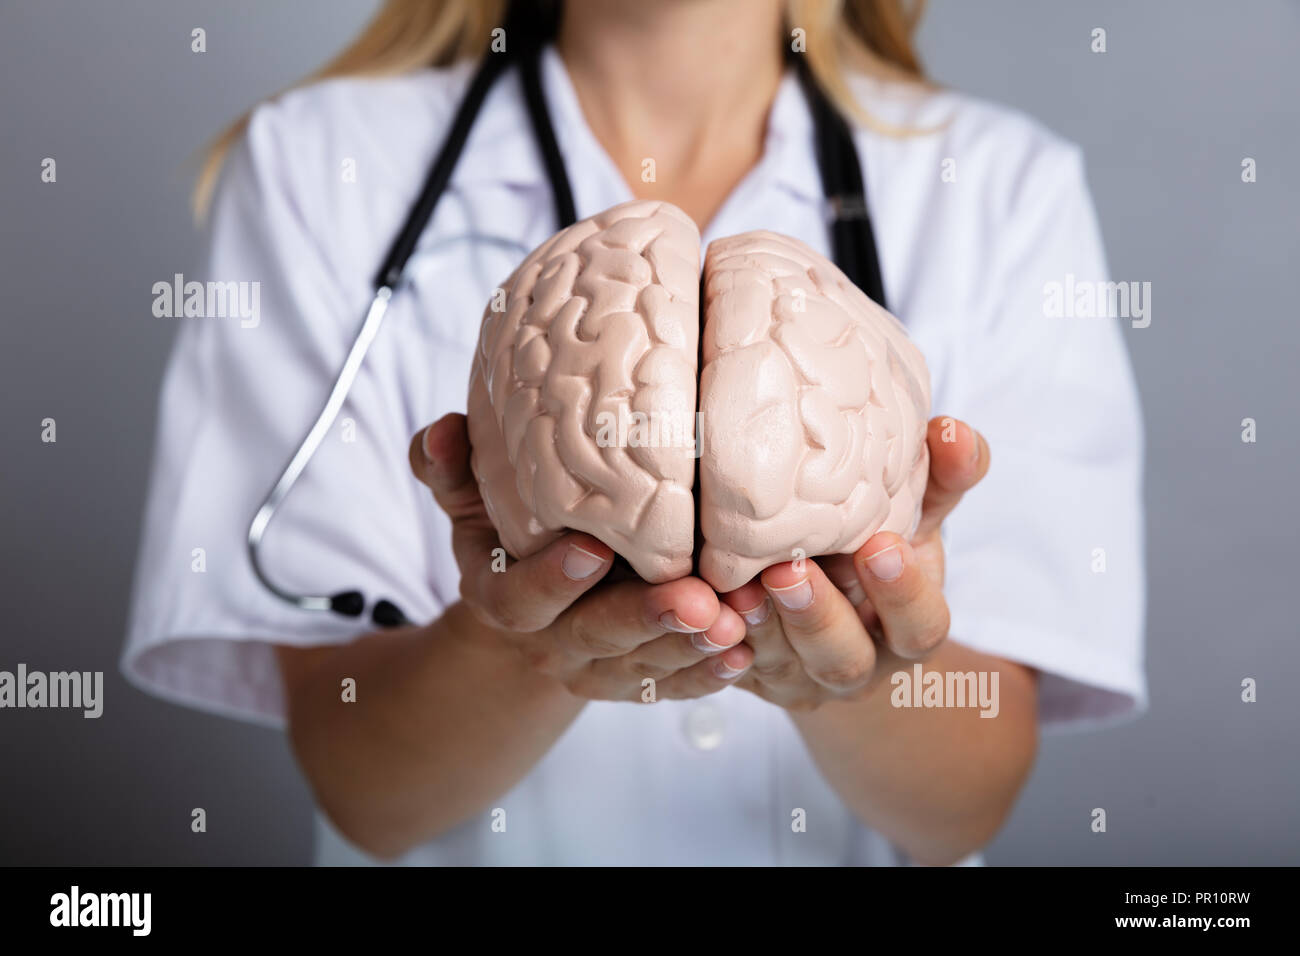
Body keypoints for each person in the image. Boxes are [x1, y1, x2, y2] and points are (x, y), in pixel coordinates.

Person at [123, 0, 1146, 866]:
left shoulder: (1002, 190)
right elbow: (364, 785)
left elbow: (966, 801)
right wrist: (513, 643)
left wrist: (851, 677)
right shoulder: (319, 163)